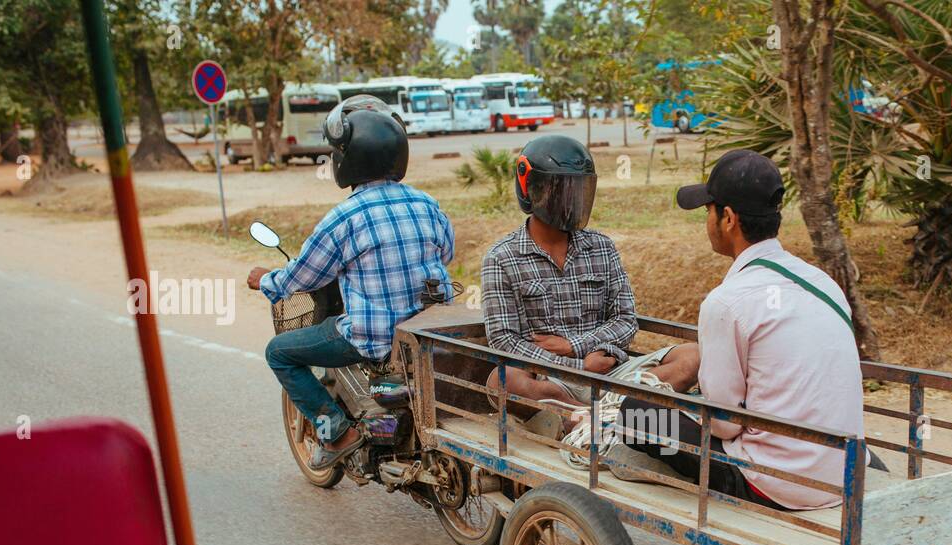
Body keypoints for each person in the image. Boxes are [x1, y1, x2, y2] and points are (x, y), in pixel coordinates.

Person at [612, 149, 866, 510]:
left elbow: (725, 425)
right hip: (845, 471)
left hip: (777, 485)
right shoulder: (821, 282)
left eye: (708, 212)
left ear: (728, 218)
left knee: (635, 412)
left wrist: (686, 405)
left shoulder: (727, 302)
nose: (708, 221)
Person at [247, 96, 454, 470]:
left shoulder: (344, 217)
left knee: (279, 352)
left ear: (346, 160)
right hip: (431, 333)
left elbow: (301, 278)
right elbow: (446, 255)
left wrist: (266, 280)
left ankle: (336, 432)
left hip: (375, 338)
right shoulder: (427, 203)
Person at [480, 135, 698, 416]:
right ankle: (616, 416)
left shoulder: (602, 246)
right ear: (528, 189)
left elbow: (625, 320)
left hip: (611, 373)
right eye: (559, 192)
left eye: (578, 192)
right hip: (552, 378)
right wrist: (578, 366)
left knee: (693, 357)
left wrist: (575, 346)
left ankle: (584, 419)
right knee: (504, 378)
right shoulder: (501, 257)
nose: (571, 202)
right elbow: (506, 342)